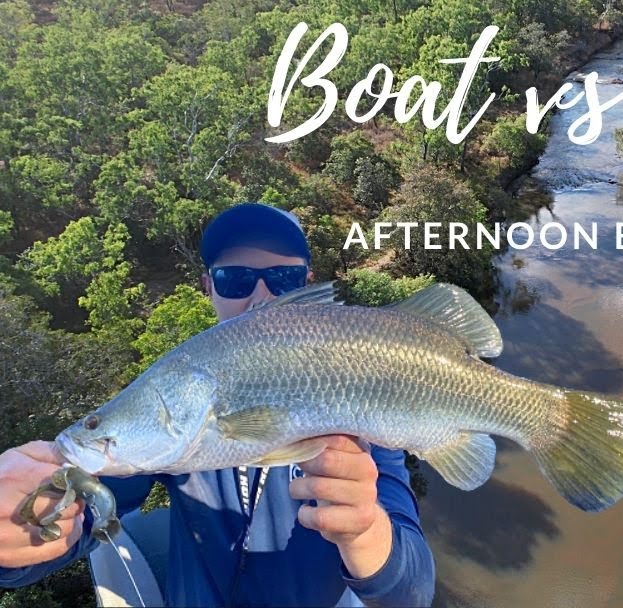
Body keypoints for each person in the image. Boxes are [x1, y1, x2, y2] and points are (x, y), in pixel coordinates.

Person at [0, 203, 436, 607]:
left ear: (306, 283)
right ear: (209, 287)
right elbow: (76, 520)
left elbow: (412, 593)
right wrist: (27, 526)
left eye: (283, 278)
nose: (261, 296)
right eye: (235, 279)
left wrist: (364, 530)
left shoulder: (361, 395)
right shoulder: (179, 394)